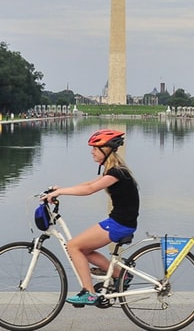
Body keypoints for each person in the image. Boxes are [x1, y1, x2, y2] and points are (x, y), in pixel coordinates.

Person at [44, 129, 140, 306]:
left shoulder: (116, 173)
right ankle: (120, 275)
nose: (92, 151)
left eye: (95, 148)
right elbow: (90, 184)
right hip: (120, 221)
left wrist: (61, 192)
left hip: (119, 224)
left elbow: (89, 190)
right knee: (83, 249)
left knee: (73, 246)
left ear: (106, 150)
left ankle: (89, 293)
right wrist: (61, 190)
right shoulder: (113, 171)